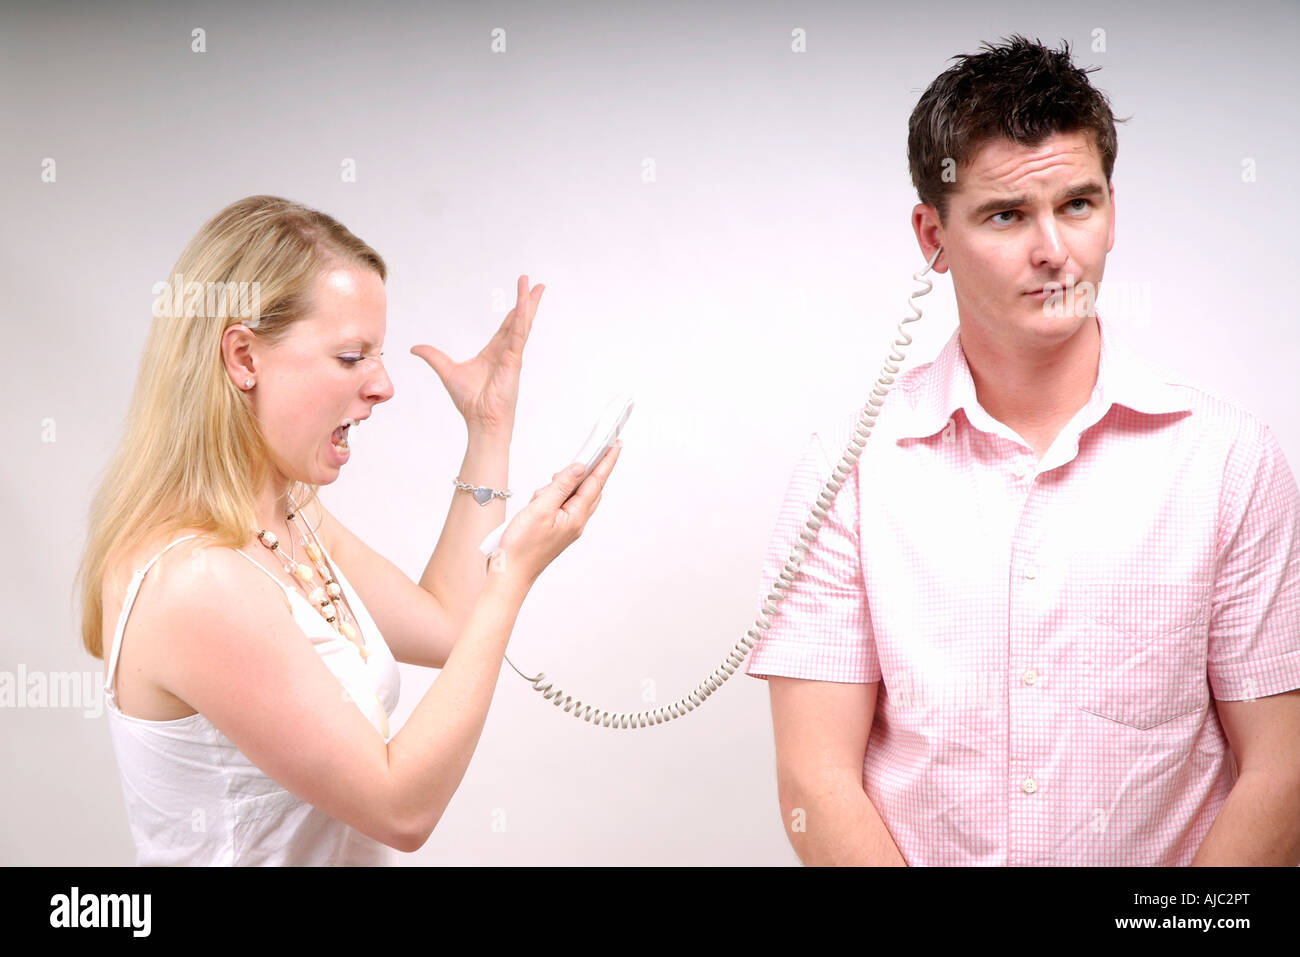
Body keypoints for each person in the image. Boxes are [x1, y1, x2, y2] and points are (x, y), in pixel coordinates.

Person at [746, 35, 1300, 866]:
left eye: (1077, 204)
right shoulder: (851, 471)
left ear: (1111, 208)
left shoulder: (1229, 460)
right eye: (1007, 215)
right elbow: (815, 781)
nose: (1054, 251)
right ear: (932, 235)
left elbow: (1281, 771)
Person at [76, 195, 620, 865]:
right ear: (243, 357)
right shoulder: (195, 580)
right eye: (350, 357)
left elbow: (449, 624)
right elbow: (401, 807)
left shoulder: (291, 517)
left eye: (378, 355)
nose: (384, 384)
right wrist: (512, 576)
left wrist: (488, 426)